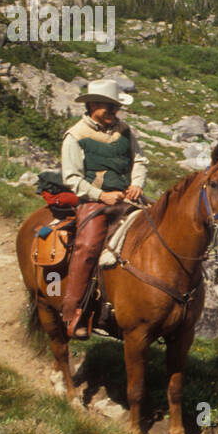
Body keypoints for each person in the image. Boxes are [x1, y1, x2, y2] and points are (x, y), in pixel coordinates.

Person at [60, 78, 148, 339]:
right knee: (87, 247)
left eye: (115, 107)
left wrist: (137, 184)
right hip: (94, 202)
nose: (113, 111)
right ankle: (74, 311)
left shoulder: (125, 131)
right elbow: (72, 179)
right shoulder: (75, 136)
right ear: (92, 105)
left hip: (128, 198)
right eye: (108, 106)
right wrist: (101, 195)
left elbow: (140, 160)